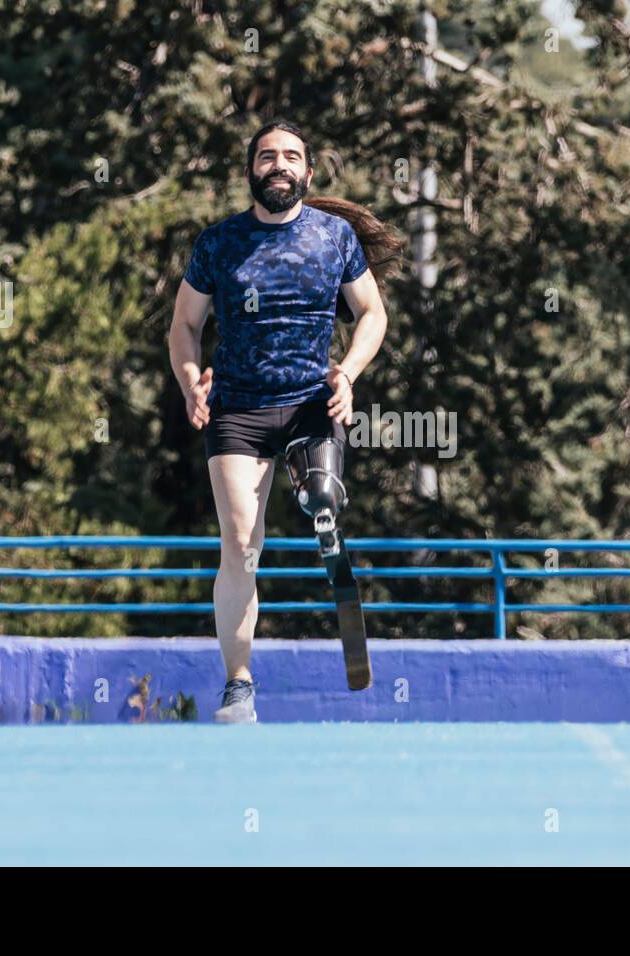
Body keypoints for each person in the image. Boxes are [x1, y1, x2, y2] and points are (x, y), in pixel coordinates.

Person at [168, 120, 400, 723]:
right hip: (237, 412)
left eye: (291, 156)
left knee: (320, 493)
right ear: (251, 170)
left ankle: (320, 505)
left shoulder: (334, 238)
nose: (279, 165)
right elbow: (184, 327)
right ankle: (239, 685)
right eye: (267, 156)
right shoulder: (219, 244)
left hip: (309, 404)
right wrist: (192, 382)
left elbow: (372, 313)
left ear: (308, 172)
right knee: (241, 547)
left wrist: (347, 372)